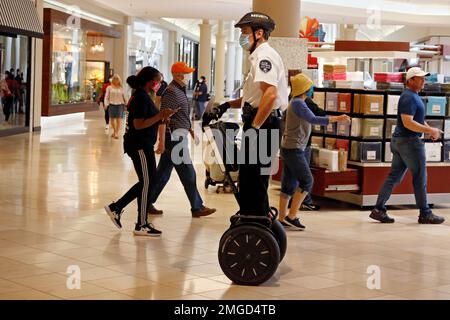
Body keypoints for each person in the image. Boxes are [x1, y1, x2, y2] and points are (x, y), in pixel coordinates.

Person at [205, 12, 288, 218]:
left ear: (259, 33)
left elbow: (270, 94)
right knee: (252, 179)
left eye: (244, 32)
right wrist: (226, 105)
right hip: (264, 122)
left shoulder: (263, 56)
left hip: (264, 125)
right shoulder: (259, 56)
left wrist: (255, 128)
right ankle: (257, 217)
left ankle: (256, 223)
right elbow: (254, 97)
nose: (242, 37)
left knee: (253, 180)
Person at [104, 67, 178, 236]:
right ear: (150, 82)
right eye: (158, 81)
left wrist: (162, 116)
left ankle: (117, 208)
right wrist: (160, 116)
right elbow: (138, 125)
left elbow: (148, 120)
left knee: (148, 181)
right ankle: (141, 223)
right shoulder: (140, 98)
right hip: (139, 145)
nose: (159, 84)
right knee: (147, 182)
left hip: (142, 144)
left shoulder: (144, 96)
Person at [370, 67, 445, 225]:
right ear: (410, 80)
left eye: (424, 78)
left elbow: (416, 120)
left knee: (394, 177)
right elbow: (408, 122)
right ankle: (425, 213)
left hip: (401, 142)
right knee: (420, 178)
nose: (423, 81)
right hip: (409, 143)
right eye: (420, 78)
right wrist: (430, 129)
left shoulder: (413, 96)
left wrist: (429, 130)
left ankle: (378, 209)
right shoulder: (409, 97)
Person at [279, 73, 350, 230]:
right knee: (307, 181)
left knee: (289, 184)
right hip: (294, 148)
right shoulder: (298, 103)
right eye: (310, 87)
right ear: (305, 88)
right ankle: (292, 216)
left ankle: (282, 217)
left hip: (289, 147)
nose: (311, 89)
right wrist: (338, 118)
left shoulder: (295, 102)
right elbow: (314, 119)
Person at [150, 61, 216, 218]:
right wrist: (162, 142)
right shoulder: (171, 91)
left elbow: (180, 115)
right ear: (178, 75)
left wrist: (191, 130)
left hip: (178, 135)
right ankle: (197, 207)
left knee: (162, 174)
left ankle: (146, 202)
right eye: (186, 73)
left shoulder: (180, 90)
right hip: (174, 139)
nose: (188, 76)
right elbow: (164, 117)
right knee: (188, 172)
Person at [105, 74, 127, 139]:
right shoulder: (109, 87)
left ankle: (116, 133)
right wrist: (106, 104)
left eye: (117, 79)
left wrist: (127, 104)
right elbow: (106, 97)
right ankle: (114, 131)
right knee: (112, 120)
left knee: (119, 119)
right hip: (111, 104)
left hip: (120, 105)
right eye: (115, 79)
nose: (116, 80)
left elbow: (125, 97)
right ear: (112, 80)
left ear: (119, 80)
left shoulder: (121, 88)